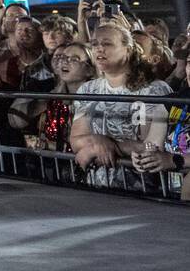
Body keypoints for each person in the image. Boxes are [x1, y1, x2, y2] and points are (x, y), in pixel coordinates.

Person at [70, 22, 170, 190]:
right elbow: (76, 140)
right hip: (97, 184)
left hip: (144, 187)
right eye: (94, 44)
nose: (99, 49)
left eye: (107, 43)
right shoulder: (88, 89)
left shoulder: (154, 90)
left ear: (128, 49)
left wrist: (101, 148)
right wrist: (97, 141)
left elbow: (150, 146)